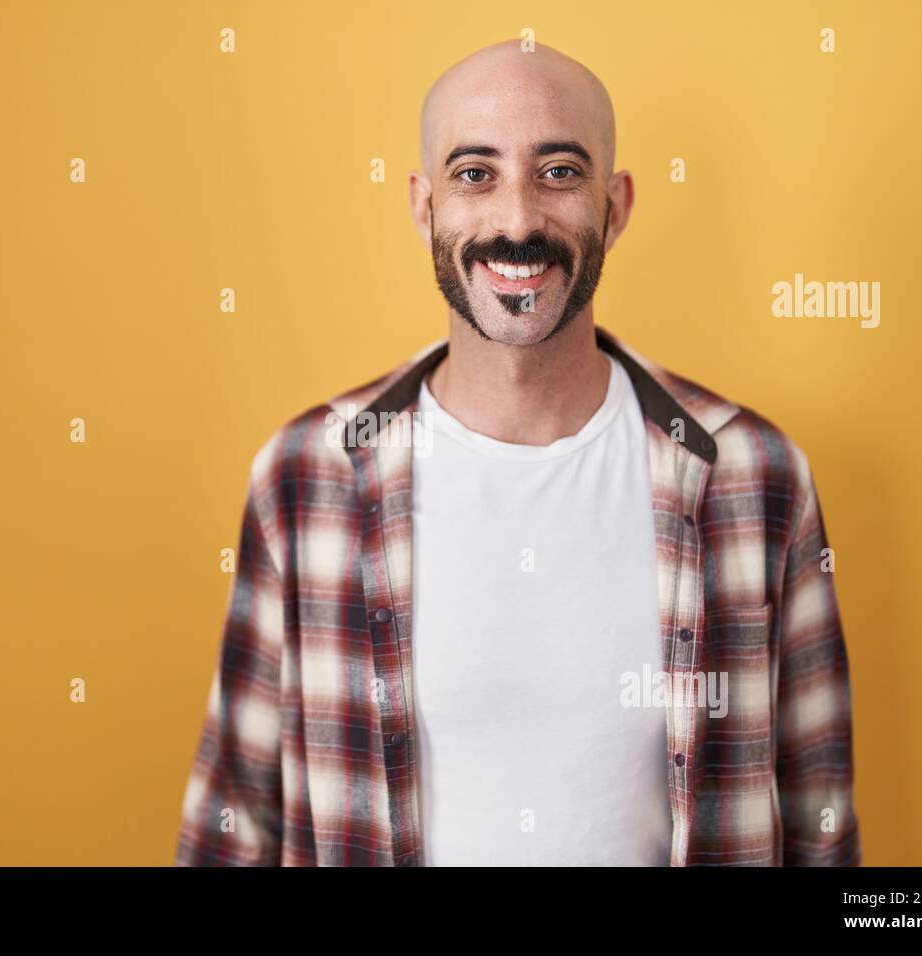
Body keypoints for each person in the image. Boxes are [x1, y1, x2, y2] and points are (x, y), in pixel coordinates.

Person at [175, 39, 860, 866]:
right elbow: (235, 821)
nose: (517, 220)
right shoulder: (303, 476)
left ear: (616, 206)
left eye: (559, 172)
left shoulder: (756, 476)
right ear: (424, 207)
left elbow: (821, 818)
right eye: (475, 174)